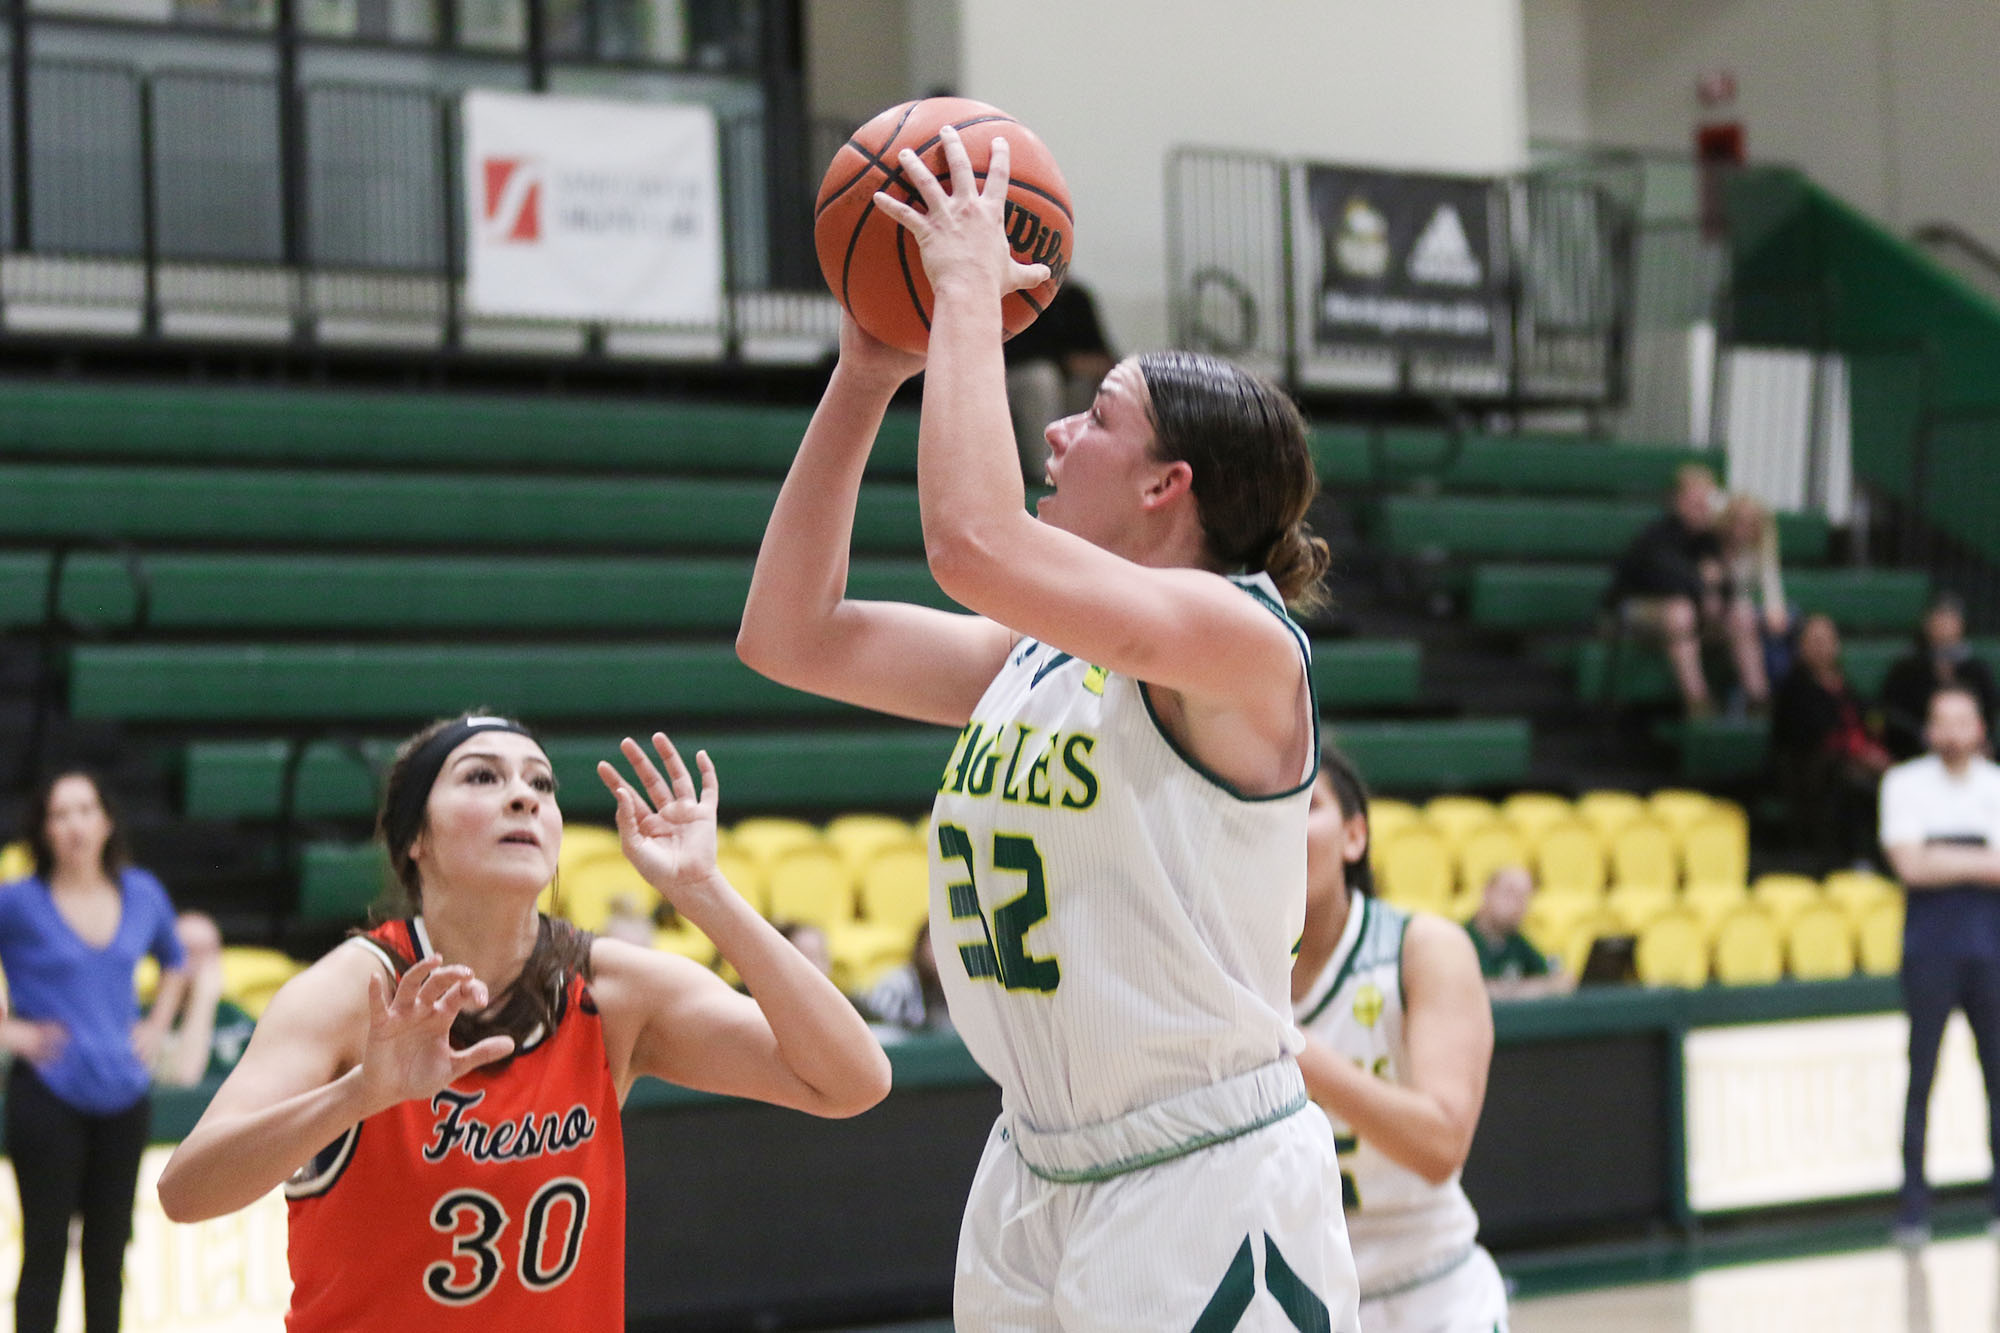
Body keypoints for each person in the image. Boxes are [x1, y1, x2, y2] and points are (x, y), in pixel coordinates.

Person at [739, 127, 1360, 1331]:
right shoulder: (1032, 653)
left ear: (1163, 486)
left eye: (1096, 418)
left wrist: (968, 286)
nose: (1056, 435)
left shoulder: (1242, 646)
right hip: (1032, 1165)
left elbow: (968, 543)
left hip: (1203, 1174)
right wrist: (867, 374)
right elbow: (790, 634)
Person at [156, 715, 889, 1329]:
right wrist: (357, 1095)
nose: (523, 798)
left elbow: (853, 1081)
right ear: (417, 837)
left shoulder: (610, 989)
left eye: (540, 783)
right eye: (482, 777)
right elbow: (186, 1191)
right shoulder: (358, 990)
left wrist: (708, 893)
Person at [1291, 749, 1505, 1331]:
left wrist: (1293, 1050)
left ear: (1354, 836)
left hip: (1431, 1293)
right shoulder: (1227, 967)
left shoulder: (1423, 949)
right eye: (1268, 804)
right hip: (1300, 1300)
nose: (1283, 821)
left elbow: (1441, 1144)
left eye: (1307, 805)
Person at [0, 770, 187, 1333]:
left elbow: (177, 961)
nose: (74, 824)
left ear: (106, 821)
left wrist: (157, 1025)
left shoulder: (143, 892)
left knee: (108, 1260)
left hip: (124, 1096)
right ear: (44, 830)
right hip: (48, 1093)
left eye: (85, 810)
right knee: (45, 1253)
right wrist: (10, 1034)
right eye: (60, 814)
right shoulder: (18, 902)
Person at [1877, 687, 2000, 1246]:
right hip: (1928, 950)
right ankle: (1912, 1207)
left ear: (1979, 728)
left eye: (1962, 721)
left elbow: (1932, 861)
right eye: (1941, 721)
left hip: (1990, 948)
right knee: (1921, 1076)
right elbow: (1909, 865)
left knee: (1996, 1078)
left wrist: (1938, 856)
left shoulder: (1995, 787)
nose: (1952, 732)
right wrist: (1979, 862)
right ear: (1929, 729)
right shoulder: (1903, 784)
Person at [1604, 464, 1768, 716]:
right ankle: (1698, 703)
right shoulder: (1656, 536)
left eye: (1707, 501)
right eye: (1696, 501)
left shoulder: (1710, 541)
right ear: (1678, 501)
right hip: (1632, 613)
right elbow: (1667, 581)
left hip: (1692, 617)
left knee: (1743, 614)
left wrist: (1715, 588)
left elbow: (1726, 590)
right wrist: (1703, 584)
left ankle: (1759, 700)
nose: (1704, 508)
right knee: (1681, 612)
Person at [1773, 614, 1892, 866]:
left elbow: (1865, 722)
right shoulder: (1794, 688)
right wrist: (1861, 754)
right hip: (1813, 773)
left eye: (1827, 639)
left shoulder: (1844, 685)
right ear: (1801, 646)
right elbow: (1807, 738)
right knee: (1855, 780)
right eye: (1814, 640)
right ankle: (1856, 858)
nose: (1821, 646)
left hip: (1857, 762)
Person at [1002, 278, 1115, 478]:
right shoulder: (1013, 295)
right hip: (1015, 377)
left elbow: (1104, 357)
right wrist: (1064, 362)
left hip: (1063, 379)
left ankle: (1087, 473)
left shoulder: (1074, 298)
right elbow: (1012, 354)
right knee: (1041, 379)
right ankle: (1045, 473)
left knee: (1093, 386)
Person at [1881, 591, 1998, 762]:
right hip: (1914, 752)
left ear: (1961, 624)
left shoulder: (1977, 669)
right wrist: (1922, 738)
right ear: (1927, 624)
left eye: (1950, 619)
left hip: (1973, 751)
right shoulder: (1906, 668)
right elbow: (1892, 712)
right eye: (1939, 618)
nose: (1944, 625)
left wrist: (1980, 741)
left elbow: (1990, 710)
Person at [1718, 492, 1795, 684]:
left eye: (1751, 523)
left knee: (1787, 620)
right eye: (1739, 521)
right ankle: (1759, 693)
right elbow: (1729, 592)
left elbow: (1770, 583)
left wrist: (1775, 609)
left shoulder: (1759, 550)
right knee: (1746, 619)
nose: (1743, 529)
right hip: (1722, 613)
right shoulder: (1715, 547)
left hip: (1747, 610)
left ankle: (1781, 686)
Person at [1464, 866, 1573, 1000]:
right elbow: (1465, 991)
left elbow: (1558, 982)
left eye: (1524, 897)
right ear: (1486, 892)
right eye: (1509, 893)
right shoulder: (1460, 939)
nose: (1517, 904)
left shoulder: (1517, 941)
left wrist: (1513, 990)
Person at [864, 920, 954, 1038]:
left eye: (947, 944)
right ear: (921, 945)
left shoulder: (960, 988)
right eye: (935, 943)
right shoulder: (897, 985)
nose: (941, 952)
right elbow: (880, 1033)